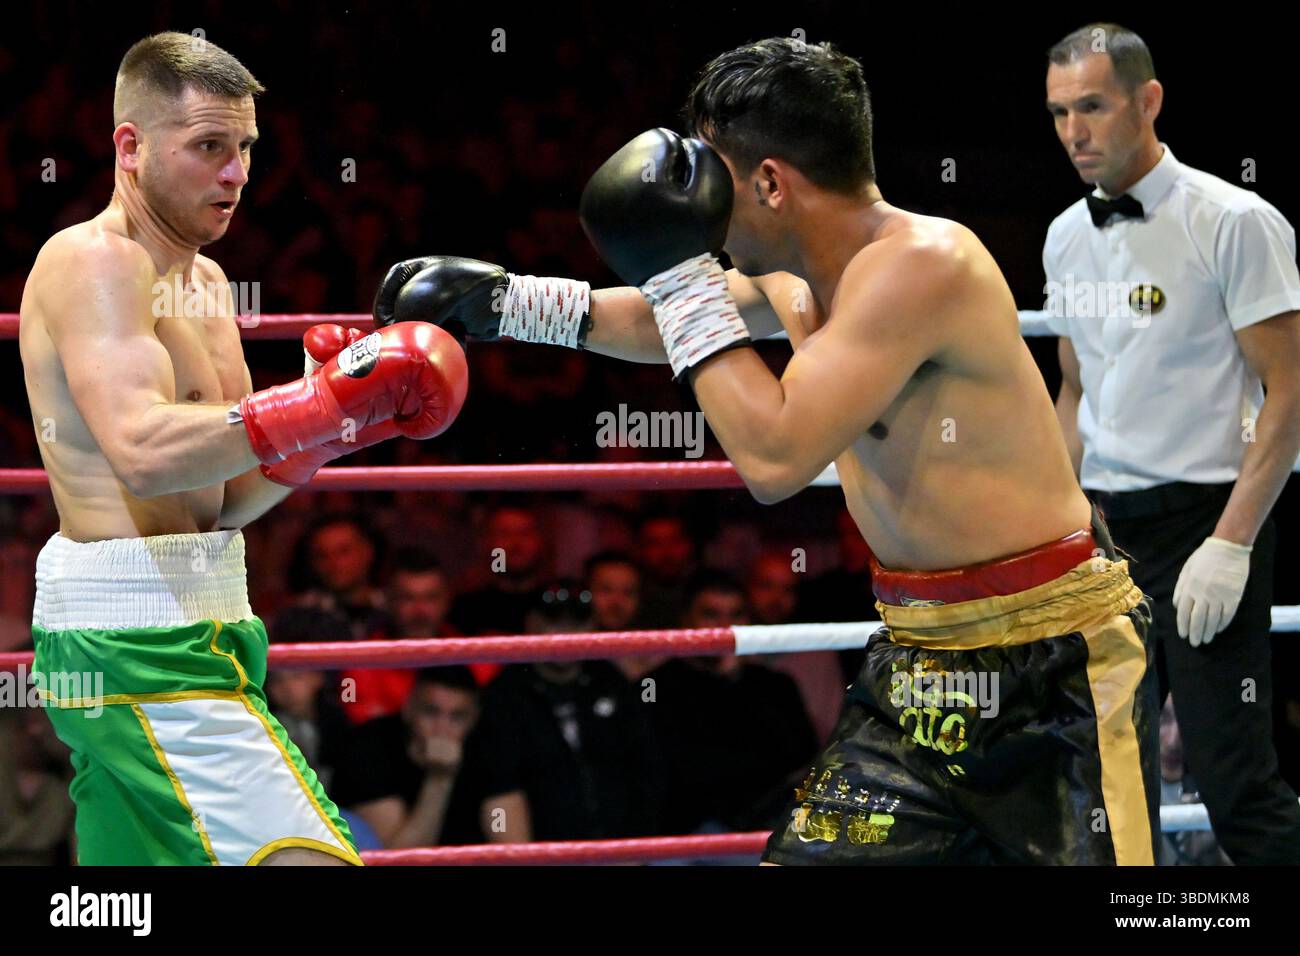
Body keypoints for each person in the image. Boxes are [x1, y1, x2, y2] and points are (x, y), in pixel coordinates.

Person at [379, 36, 1159, 864]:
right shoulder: (797, 277)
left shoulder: (924, 264)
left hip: (1055, 667)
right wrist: (503, 301)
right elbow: (656, 320)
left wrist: (677, 273)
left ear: (771, 182)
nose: (703, 208)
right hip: (919, 663)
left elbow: (775, 457)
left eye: (715, 178)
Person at [18, 32, 467, 865]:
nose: (235, 174)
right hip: (141, 647)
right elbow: (144, 452)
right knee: (309, 857)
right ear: (130, 146)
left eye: (246, 148)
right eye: (209, 148)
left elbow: (226, 498)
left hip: (207, 622)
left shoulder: (209, 283)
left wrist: (337, 426)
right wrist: (311, 403)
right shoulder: (91, 262)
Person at [1044, 23, 1300, 863]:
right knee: (1111, 789)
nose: (1074, 132)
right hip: (1104, 536)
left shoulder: (1234, 220)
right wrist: (1053, 530)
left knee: (1234, 783)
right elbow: (1074, 388)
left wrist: (1231, 543)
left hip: (1208, 518)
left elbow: (1290, 389)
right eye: (1057, 113)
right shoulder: (1063, 235)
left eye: (1091, 106)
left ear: (1147, 101)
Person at [329, 667, 482, 849]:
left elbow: (512, 847)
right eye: (431, 712)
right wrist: (440, 778)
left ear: (474, 718)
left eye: (457, 717)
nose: (442, 729)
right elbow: (399, 860)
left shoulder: (487, 747)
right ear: (408, 707)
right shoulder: (369, 749)